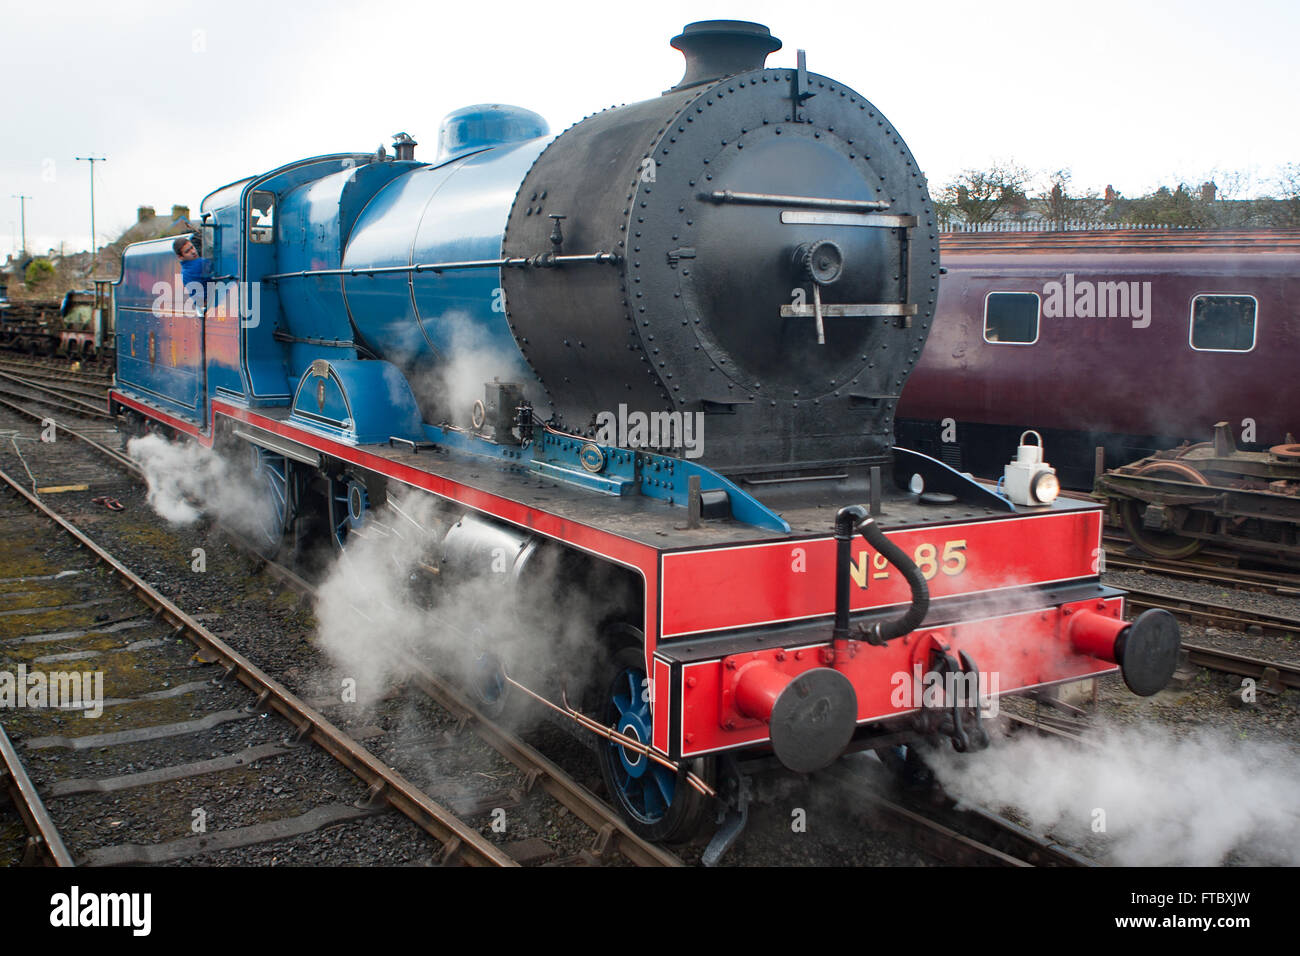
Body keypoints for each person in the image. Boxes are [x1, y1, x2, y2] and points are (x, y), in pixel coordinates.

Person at [172, 235, 209, 311]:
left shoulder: (184, 272)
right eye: (187, 251)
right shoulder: (200, 263)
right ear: (180, 257)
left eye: (192, 247)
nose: (193, 252)